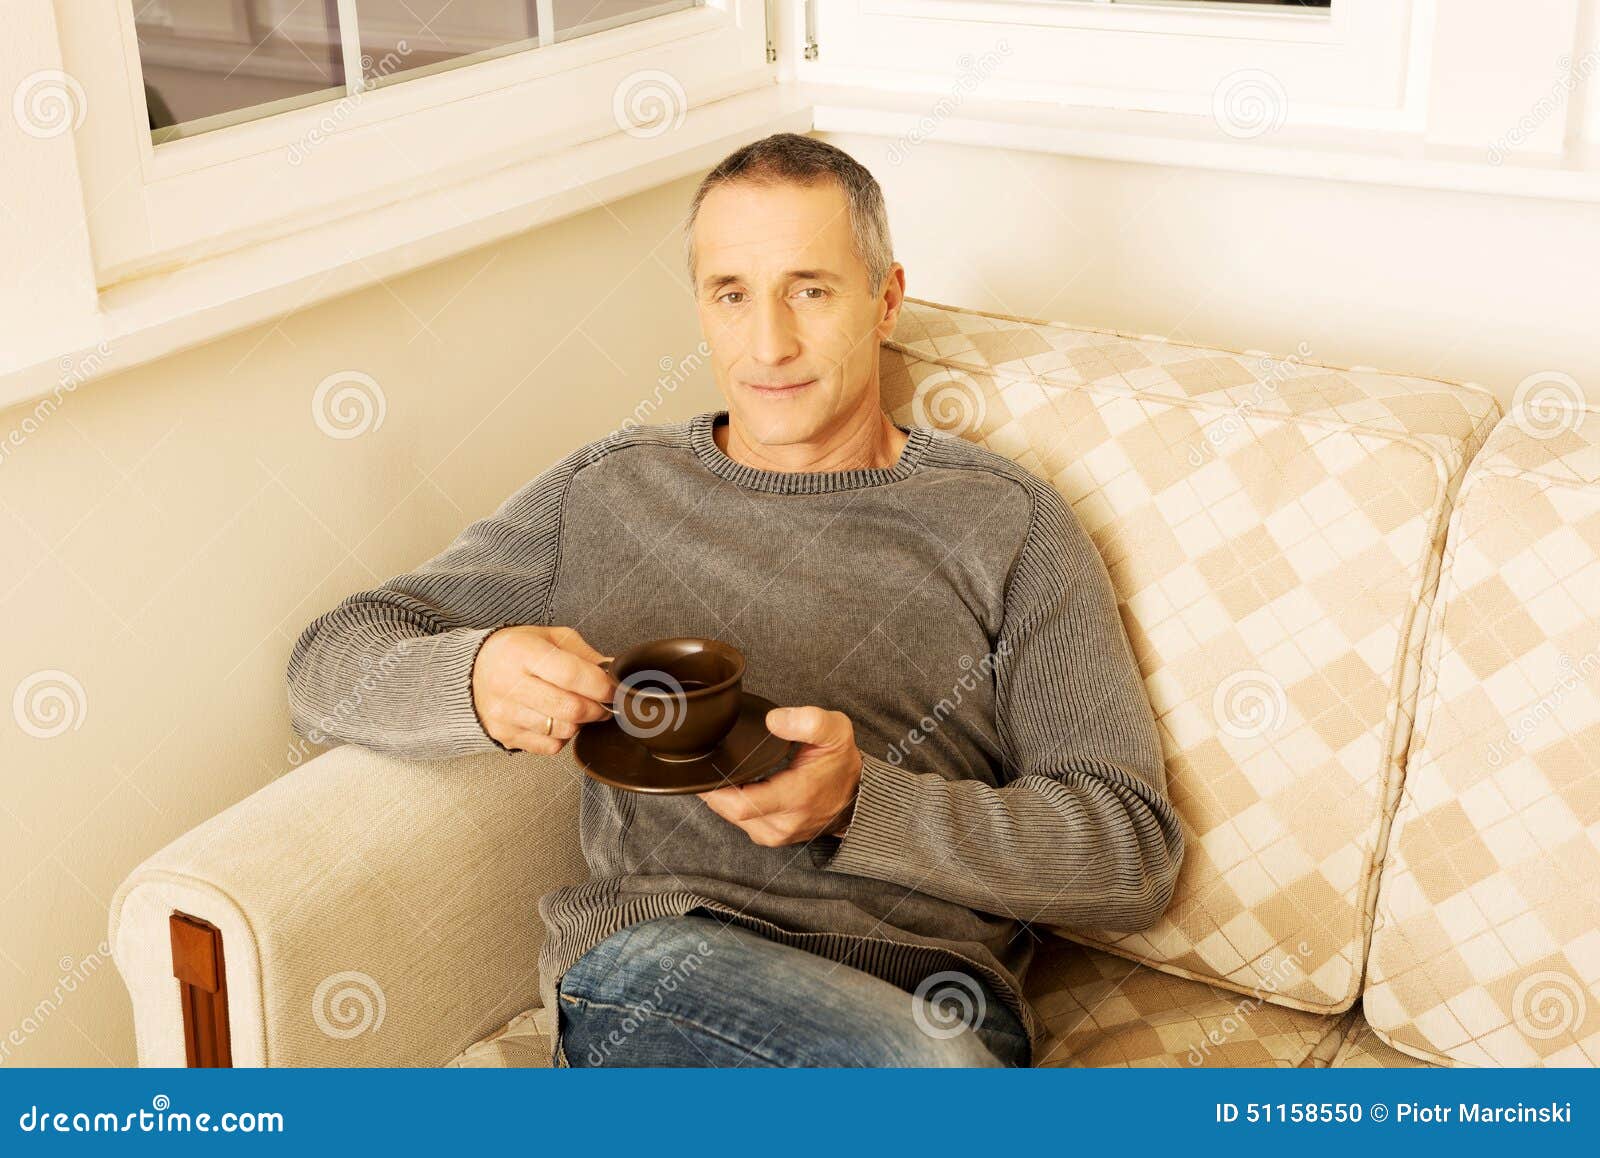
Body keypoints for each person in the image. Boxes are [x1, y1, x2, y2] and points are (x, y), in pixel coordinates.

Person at [286, 132, 1185, 1068]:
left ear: (885, 299)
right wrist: (471, 679)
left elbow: (1131, 859)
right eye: (732, 295)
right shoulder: (608, 494)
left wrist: (860, 807)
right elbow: (327, 663)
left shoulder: (1008, 520)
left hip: (927, 1004)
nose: (769, 345)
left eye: (810, 290)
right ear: (702, 312)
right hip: (659, 964)